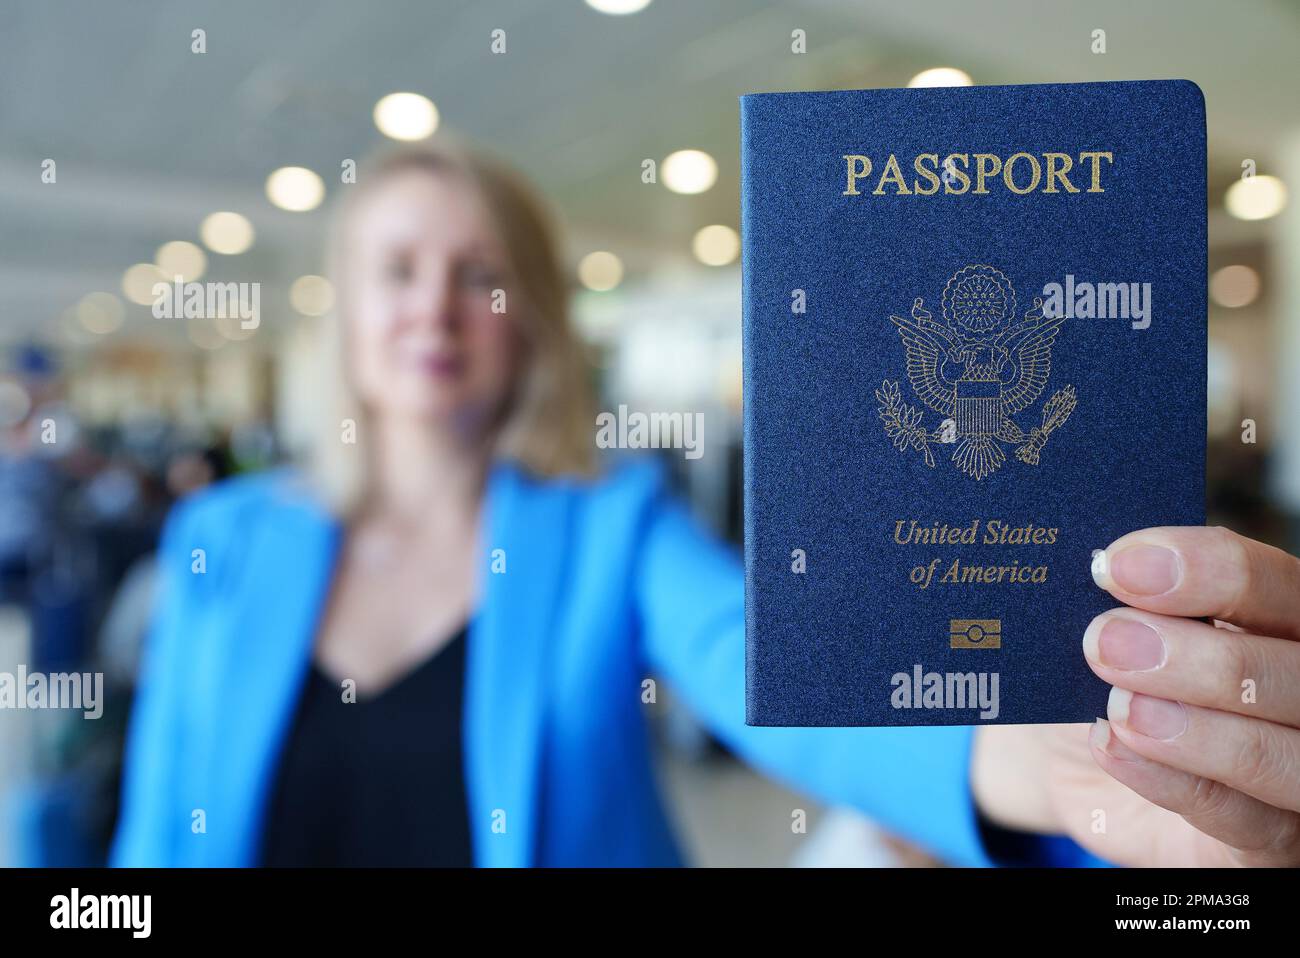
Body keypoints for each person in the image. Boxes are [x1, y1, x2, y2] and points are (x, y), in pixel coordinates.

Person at [110, 139, 1300, 867]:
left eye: (481, 275)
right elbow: (161, 821)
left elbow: (781, 675)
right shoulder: (225, 537)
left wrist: (1038, 763)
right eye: (398, 270)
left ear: (527, 316)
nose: (436, 307)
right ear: (346, 311)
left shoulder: (607, 524)